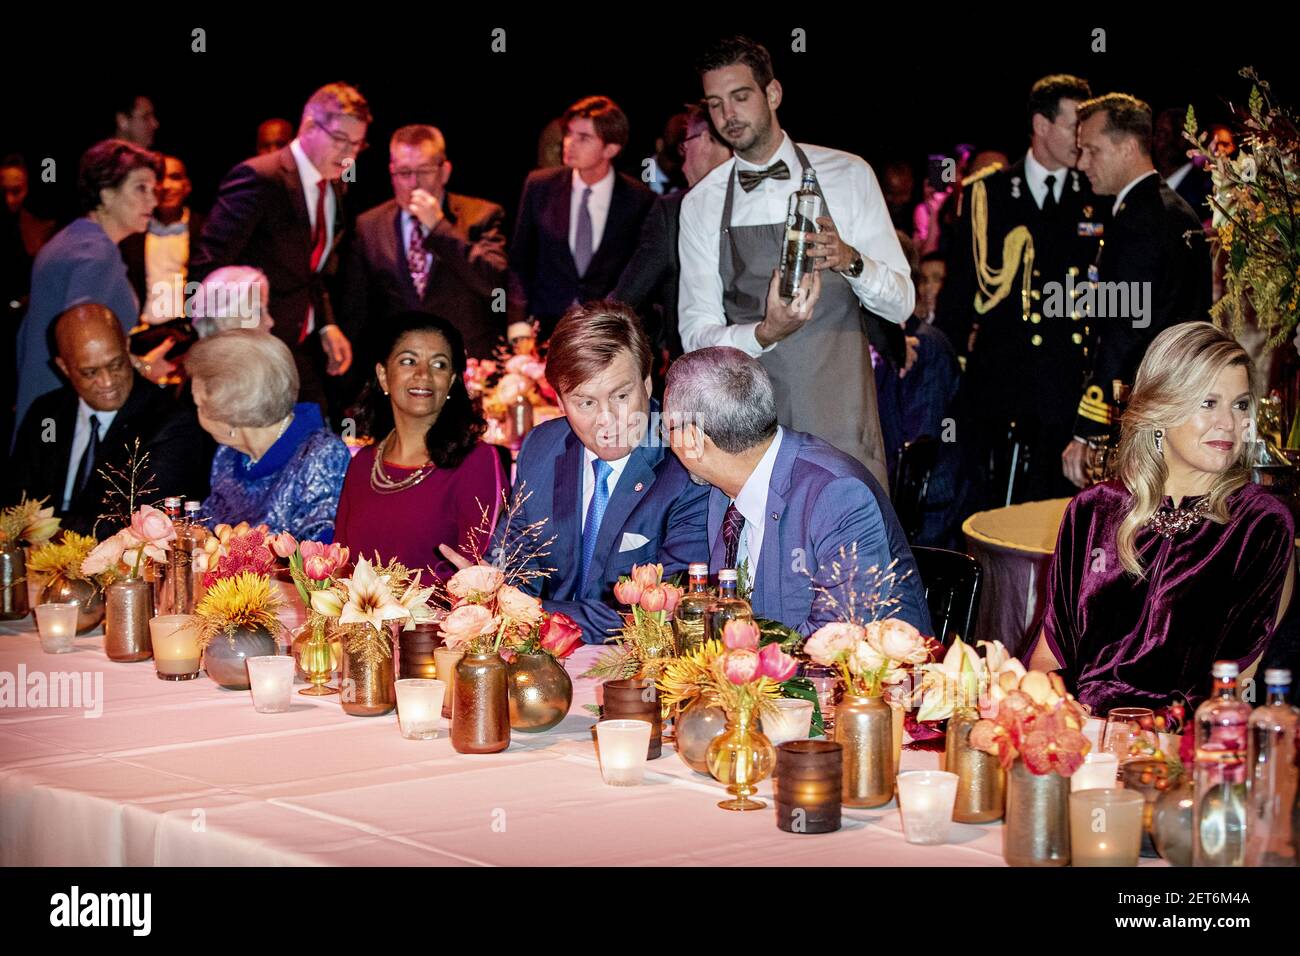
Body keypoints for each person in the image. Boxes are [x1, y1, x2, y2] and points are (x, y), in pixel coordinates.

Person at [678, 35, 914, 489]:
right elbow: (695, 335)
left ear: (773, 93)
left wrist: (850, 260)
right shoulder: (701, 203)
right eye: (716, 104)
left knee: (847, 532)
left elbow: (902, 303)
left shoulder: (849, 174)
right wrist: (765, 332)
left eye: (740, 97)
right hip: (751, 427)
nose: (728, 115)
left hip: (842, 417)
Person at [1029, 323, 1293, 714]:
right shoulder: (1092, 511)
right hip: (1081, 729)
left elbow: (1241, 683)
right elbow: (1048, 657)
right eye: (1208, 403)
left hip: (1183, 739)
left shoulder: (1260, 524)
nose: (1228, 422)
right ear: (1160, 409)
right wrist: (1059, 712)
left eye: (1240, 405)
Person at [662, 346, 930, 635]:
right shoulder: (720, 490)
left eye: (668, 429)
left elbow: (837, 640)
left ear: (693, 439)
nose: (667, 441)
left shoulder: (837, 495)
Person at [491, 301, 709, 640]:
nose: (607, 420)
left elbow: (666, 608)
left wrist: (530, 612)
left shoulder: (686, 461)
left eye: (620, 396)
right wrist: (487, 590)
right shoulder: (542, 447)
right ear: (560, 403)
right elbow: (515, 564)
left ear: (647, 383)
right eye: (586, 403)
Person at [936, 74, 1103, 508]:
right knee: (991, 509)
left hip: (1068, 383)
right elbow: (959, 295)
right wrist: (948, 376)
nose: (1082, 138)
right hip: (1000, 382)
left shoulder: (1096, 192)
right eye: (1074, 125)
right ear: (1041, 125)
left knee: (1059, 514)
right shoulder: (986, 193)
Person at [1062, 93, 1213, 488]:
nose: (1082, 163)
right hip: (1175, 404)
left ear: (1128, 147)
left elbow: (1123, 330)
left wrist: (1089, 429)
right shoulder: (1172, 209)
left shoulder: (1140, 221)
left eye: (1092, 150)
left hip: (1142, 413)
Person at [192, 82, 368, 412]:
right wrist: (225, 351)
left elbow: (311, 271)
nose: (349, 155)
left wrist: (327, 324)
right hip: (251, 353)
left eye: (357, 145)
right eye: (340, 140)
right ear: (310, 126)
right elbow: (208, 267)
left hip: (298, 348)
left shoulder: (334, 186)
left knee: (316, 431)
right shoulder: (260, 178)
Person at [4, 304, 214, 537]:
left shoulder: (168, 421)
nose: (107, 382)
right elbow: (18, 493)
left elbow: (132, 522)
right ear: (64, 367)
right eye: (90, 373)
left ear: (127, 346)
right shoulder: (48, 416)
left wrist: (46, 531)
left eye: (116, 365)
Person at [335, 312, 508, 580]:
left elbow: (477, 574)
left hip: (442, 608)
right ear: (383, 375)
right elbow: (340, 564)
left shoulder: (476, 461)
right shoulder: (363, 463)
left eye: (439, 365)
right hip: (356, 608)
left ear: (451, 381)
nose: (423, 374)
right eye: (408, 361)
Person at [15, 139, 161, 438]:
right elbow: (85, 347)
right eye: (141, 188)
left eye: (153, 190)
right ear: (106, 193)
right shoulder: (96, 252)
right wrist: (145, 368)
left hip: (44, 403)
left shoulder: (71, 239)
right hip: (67, 411)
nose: (154, 201)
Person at [342, 125, 509, 362]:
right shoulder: (369, 225)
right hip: (401, 364)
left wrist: (438, 228)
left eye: (424, 170)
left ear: (445, 171)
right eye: (404, 172)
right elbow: (356, 310)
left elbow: (496, 284)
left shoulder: (482, 215)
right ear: (391, 173)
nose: (414, 183)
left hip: (466, 361)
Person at [508, 95, 654, 340]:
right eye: (569, 133)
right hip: (544, 329)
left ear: (611, 148)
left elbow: (642, 273)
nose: (569, 143)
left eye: (583, 137)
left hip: (608, 333)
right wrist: (518, 324)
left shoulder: (639, 199)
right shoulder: (540, 185)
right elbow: (520, 261)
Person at [187, 329, 349, 542]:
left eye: (198, 405)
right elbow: (207, 524)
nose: (194, 414)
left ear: (232, 416)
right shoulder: (227, 455)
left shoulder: (321, 455)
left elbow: (320, 551)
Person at [613, 104, 732, 372]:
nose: (683, 162)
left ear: (705, 139)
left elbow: (626, 299)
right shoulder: (771, 201)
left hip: (696, 376)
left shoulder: (674, 209)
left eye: (685, 146)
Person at [120, 154, 205, 324]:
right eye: (159, 179)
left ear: (187, 186)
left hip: (190, 330)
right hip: (143, 330)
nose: (166, 186)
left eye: (174, 177)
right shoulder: (132, 234)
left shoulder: (205, 230)